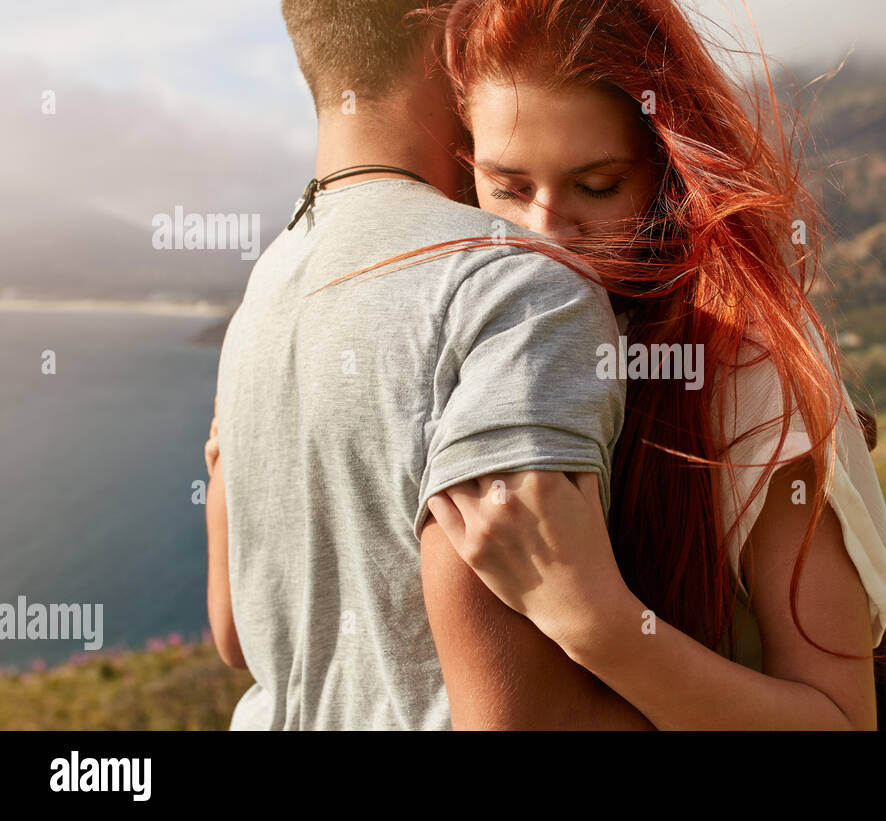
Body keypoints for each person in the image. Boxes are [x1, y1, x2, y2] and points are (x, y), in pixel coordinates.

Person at [388, 0, 886, 729]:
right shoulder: (463, 339)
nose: (545, 236)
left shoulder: (741, 369)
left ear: (666, 176)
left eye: (597, 187)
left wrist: (597, 620)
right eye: (507, 188)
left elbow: (841, 720)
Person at [205, 0, 656, 730]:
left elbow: (235, 636)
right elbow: (517, 719)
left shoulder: (261, 296)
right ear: (458, 39)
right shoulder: (519, 286)